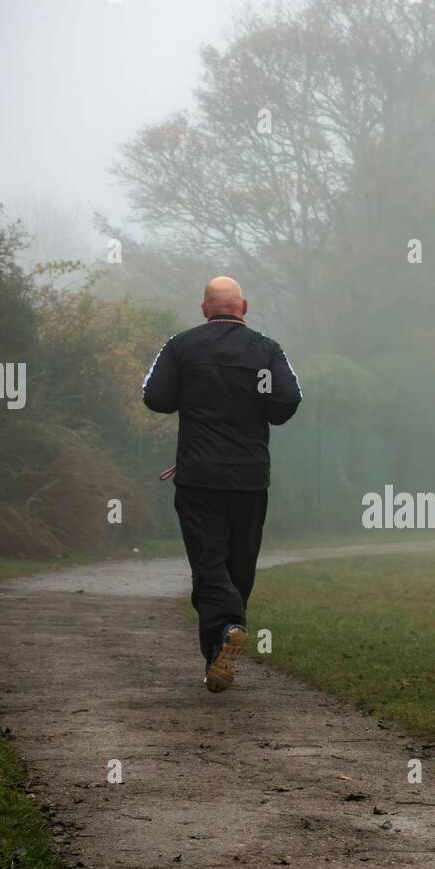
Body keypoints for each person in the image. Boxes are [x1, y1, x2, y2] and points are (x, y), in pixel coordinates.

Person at [142, 276, 302, 692]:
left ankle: (226, 630)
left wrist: (191, 391)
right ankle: (220, 647)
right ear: (243, 307)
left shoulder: (181, 345)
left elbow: (155, 397)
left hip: (198, 478)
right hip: (249, 479)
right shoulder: (267, 350)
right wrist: (255, 401)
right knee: (239, 566)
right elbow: (287, 401)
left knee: (208, 564)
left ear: (203, 308)